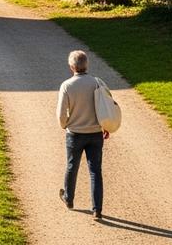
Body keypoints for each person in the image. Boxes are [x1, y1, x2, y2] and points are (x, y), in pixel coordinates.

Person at [57, 49, 107, 219]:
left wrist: (65, 125)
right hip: (95, 133)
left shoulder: (67, 85)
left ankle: (69, 198)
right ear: (86, 65)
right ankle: (97, 209)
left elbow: (61, 114)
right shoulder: (97, 83)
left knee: (72, 166)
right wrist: (105, 125)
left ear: (71, 66)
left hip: (75, 133)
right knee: (95, 171)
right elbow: (106, 107)